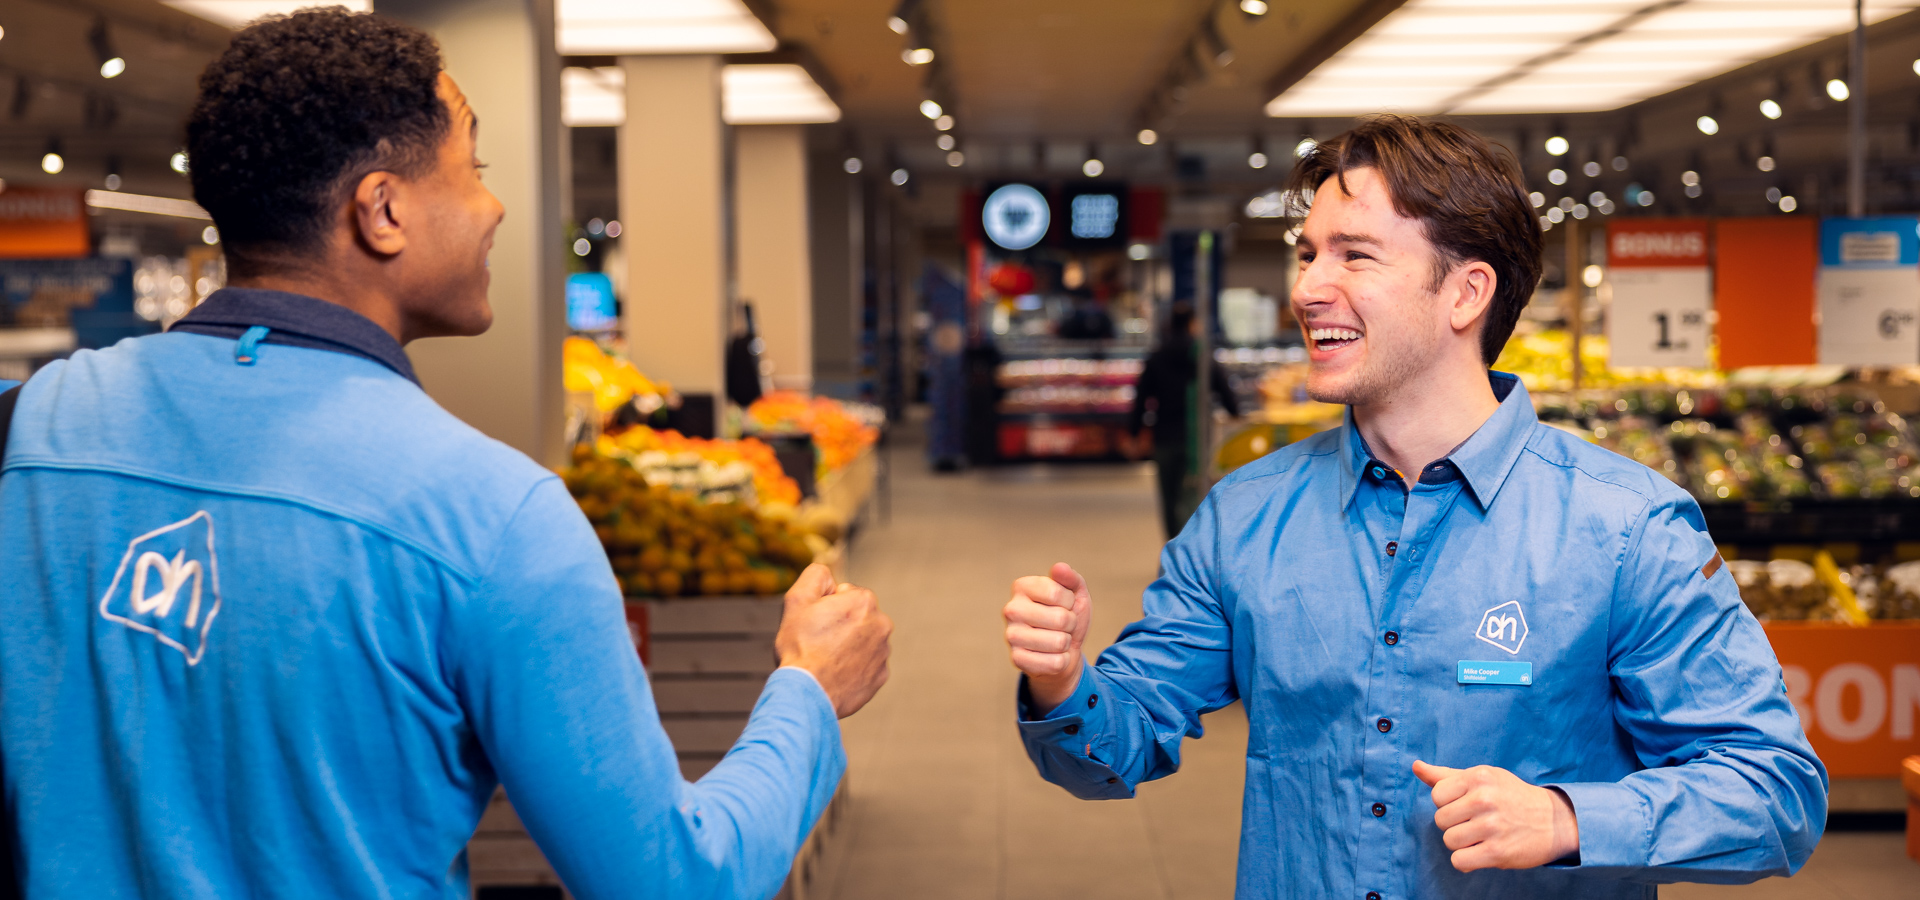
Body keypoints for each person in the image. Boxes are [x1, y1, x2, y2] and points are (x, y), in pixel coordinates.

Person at [0, 9, 890, 898]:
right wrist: (807, 692)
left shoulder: (26, 428)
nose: (495, 206)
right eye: (476, 169)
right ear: (382, 211)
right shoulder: (496, 518)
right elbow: (675, 881)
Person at [1001, 116, 1825, 899]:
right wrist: (1063, 682)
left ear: (1465, 294)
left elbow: (1775, 794)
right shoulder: (1244, 516)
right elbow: (1110, 750)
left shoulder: (1625, 528)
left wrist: (1568, 817)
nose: (1308, 289)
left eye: (1355, 256)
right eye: (1306, 254)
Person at [1126, 303, 1240, 539]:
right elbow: (1226, 395)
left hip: (1165, 436)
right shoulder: (1200, 354)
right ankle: (1192, 549)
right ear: (1192, 323)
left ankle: (1172, 548)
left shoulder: (1156, 355)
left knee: (1168, 498)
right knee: (1193, 494)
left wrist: (1134, 433)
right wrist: (1235, 417)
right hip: (1196, 437)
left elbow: (1141, 399)